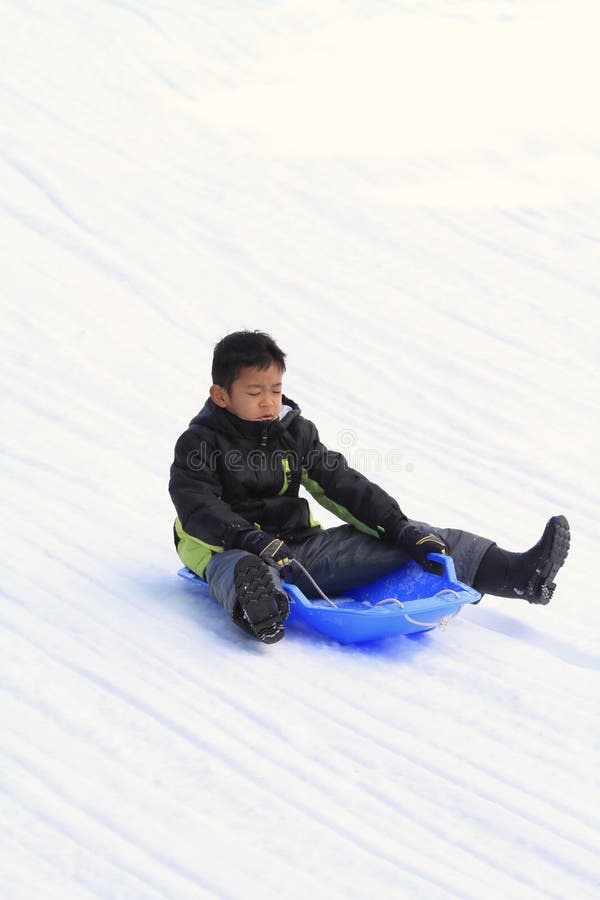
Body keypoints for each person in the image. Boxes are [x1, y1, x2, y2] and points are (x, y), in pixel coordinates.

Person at [169, 331, 570, 644]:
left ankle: (521, 575)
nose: (269, 403)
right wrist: (253, 540)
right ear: (220, 395)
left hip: (299, 548)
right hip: (226, 547)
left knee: (421, 537)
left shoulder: (293, 433)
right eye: (254, 393)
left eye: (275, 390)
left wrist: (398, 526)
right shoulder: (200, 443)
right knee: (244, 570)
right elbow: (197, 506)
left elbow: (341, 485)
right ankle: (261, 610)